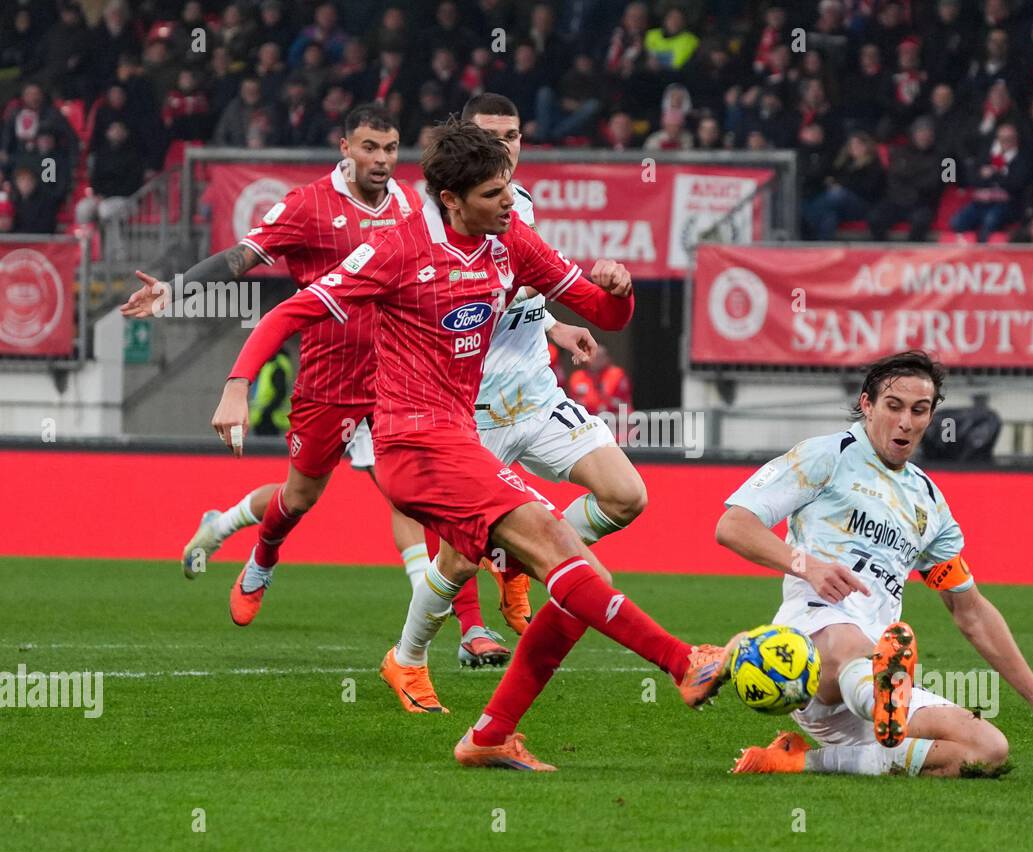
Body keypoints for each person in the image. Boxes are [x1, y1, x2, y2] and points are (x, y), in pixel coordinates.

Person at [209, 118, 732, 770]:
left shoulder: (512, 238)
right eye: (492, 193)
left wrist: (620, 293)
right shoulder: (397, 250)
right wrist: (237, 385)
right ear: (452, 200)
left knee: (579, 579)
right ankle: (684, 662)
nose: (509, 202)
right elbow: (294, 310)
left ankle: (488, 736)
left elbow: (601, 311)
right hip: (412, 446)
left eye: (509, 187)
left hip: (459, 441)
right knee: (554, 545)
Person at [119, 108, 466, 635]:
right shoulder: (308, 205)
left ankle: (437, 617)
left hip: (396, 377)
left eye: (392, 149)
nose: (382, 160)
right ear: (344, 146)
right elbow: (241, 258)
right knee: (300, 497)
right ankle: (255, 549)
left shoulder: (410, 204)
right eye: (370, 147)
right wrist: (174, 289)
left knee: (406, 490)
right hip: (330, 380)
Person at [716, 350, 1033, 778]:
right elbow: (734, 525)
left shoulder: (927, 502)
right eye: (894, 406)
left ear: (930, 416)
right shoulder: (825, 457)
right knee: (849, 642)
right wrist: (805, 564)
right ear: (867, 404)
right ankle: (876, 691)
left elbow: (970, 611)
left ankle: (799, 760)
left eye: (919, 410)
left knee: (986, 750)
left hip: (878, 673)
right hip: (811, 653)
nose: (905, 421)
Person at [441, 93, 650, 670]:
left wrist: (555, 322)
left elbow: (526, 284)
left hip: (534, 391)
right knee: (460, 550)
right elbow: (475, 295)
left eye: (511, 136)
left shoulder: (521, 205)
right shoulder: (438, 217)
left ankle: (516, 561)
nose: (502, 147)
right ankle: (470, 632)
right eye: (489, 136)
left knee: (626, 495)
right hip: (469, 405)